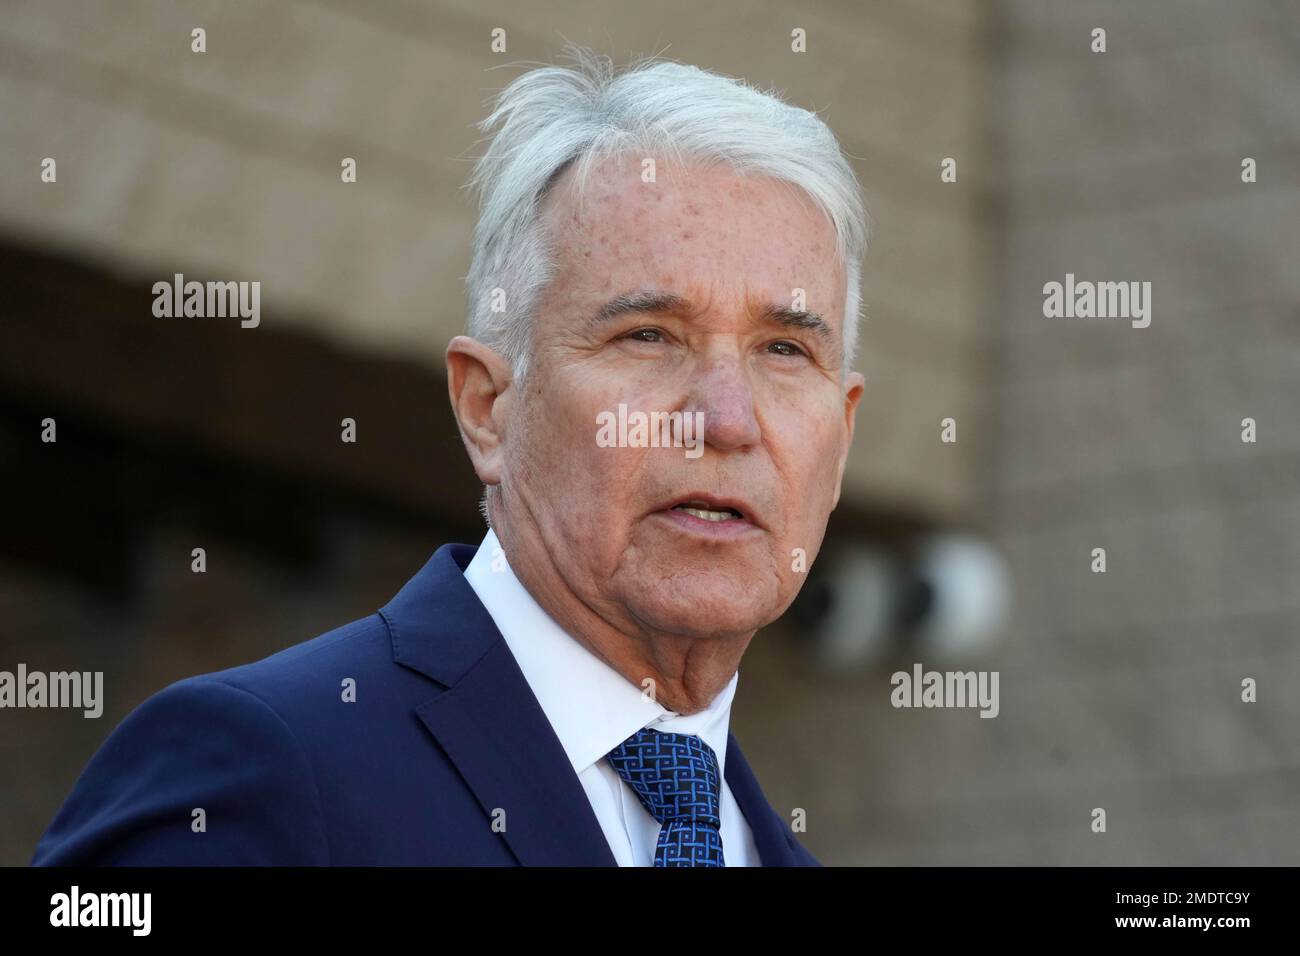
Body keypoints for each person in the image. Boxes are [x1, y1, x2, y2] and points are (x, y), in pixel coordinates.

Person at [33, 44, 867, 867]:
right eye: (648, 336)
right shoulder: (261, 770)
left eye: (785, 351)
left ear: (842, 435)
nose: (725, 420)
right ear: (486, 408)